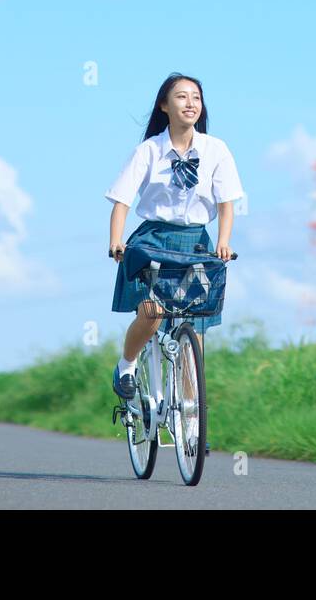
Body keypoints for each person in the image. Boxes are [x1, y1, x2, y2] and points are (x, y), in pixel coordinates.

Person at [105, 73, 242, 452]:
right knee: (150, 313)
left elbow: (227, 204)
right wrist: (116, 240)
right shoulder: (149, 151)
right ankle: (127, 366)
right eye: (180, 97)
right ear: (164, 106)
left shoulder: (216, 150)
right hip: (154, 239)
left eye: (195, 97)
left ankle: (192, 422)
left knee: (193, 333)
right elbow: (122, 201)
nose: (189, 103)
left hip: (197, 243)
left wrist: (225, 243)